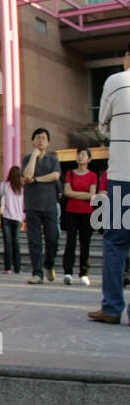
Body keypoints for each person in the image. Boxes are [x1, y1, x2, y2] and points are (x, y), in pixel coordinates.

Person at [89, 45, 130, 324]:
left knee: (116, 242)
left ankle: (113, 307)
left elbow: (102, 126)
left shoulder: (116, 81)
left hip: (121, 176)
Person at [22, 127, 61, 283]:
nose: (40, 140)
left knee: (53, 238)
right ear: (32, 141)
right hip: (32, 205)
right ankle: (37, 273)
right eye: (37, 138)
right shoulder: (27, 158)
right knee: (34, 240)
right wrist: (34, 157)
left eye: (43, 138)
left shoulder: (53, 160)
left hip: (50, 206)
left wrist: (37, 179)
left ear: (48, 142)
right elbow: (27, 175)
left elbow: (55, 176)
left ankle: (48, 264)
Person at [62, 148, 97, 285]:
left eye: (83, 155)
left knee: (85, 243)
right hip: (71, 212)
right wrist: (84, 195)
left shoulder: (93, 176)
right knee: (70, 242)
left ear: (89, 159)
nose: (80, 157)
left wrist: (75, 194)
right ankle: (68, 272)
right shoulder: (70, 173)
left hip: (87, 213)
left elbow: (92, 195)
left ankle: (84, 273)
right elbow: (67, 192)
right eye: (79, 155)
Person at [0, 165, 24, 274]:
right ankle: (17, 268)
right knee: (16, 243)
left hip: (6, 217)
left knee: (7, 243)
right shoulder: (22, 188)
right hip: (18, 218)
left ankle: (7, 268)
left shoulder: (4, 185)